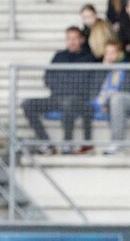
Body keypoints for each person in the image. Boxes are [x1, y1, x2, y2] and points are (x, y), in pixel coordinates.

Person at [22, 26, 100, 155]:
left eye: (75, 38)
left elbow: (83, 81)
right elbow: (48, 78)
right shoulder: (59, 56)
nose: (72, 41)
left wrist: (64, 83)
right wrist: (65, 85)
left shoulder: (88, 57)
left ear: (81, 40)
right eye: (69, 38)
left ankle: (67, 143)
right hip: (56, 97)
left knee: (68, 102)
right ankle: (46, 143)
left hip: (78, 99)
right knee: (27, 104)